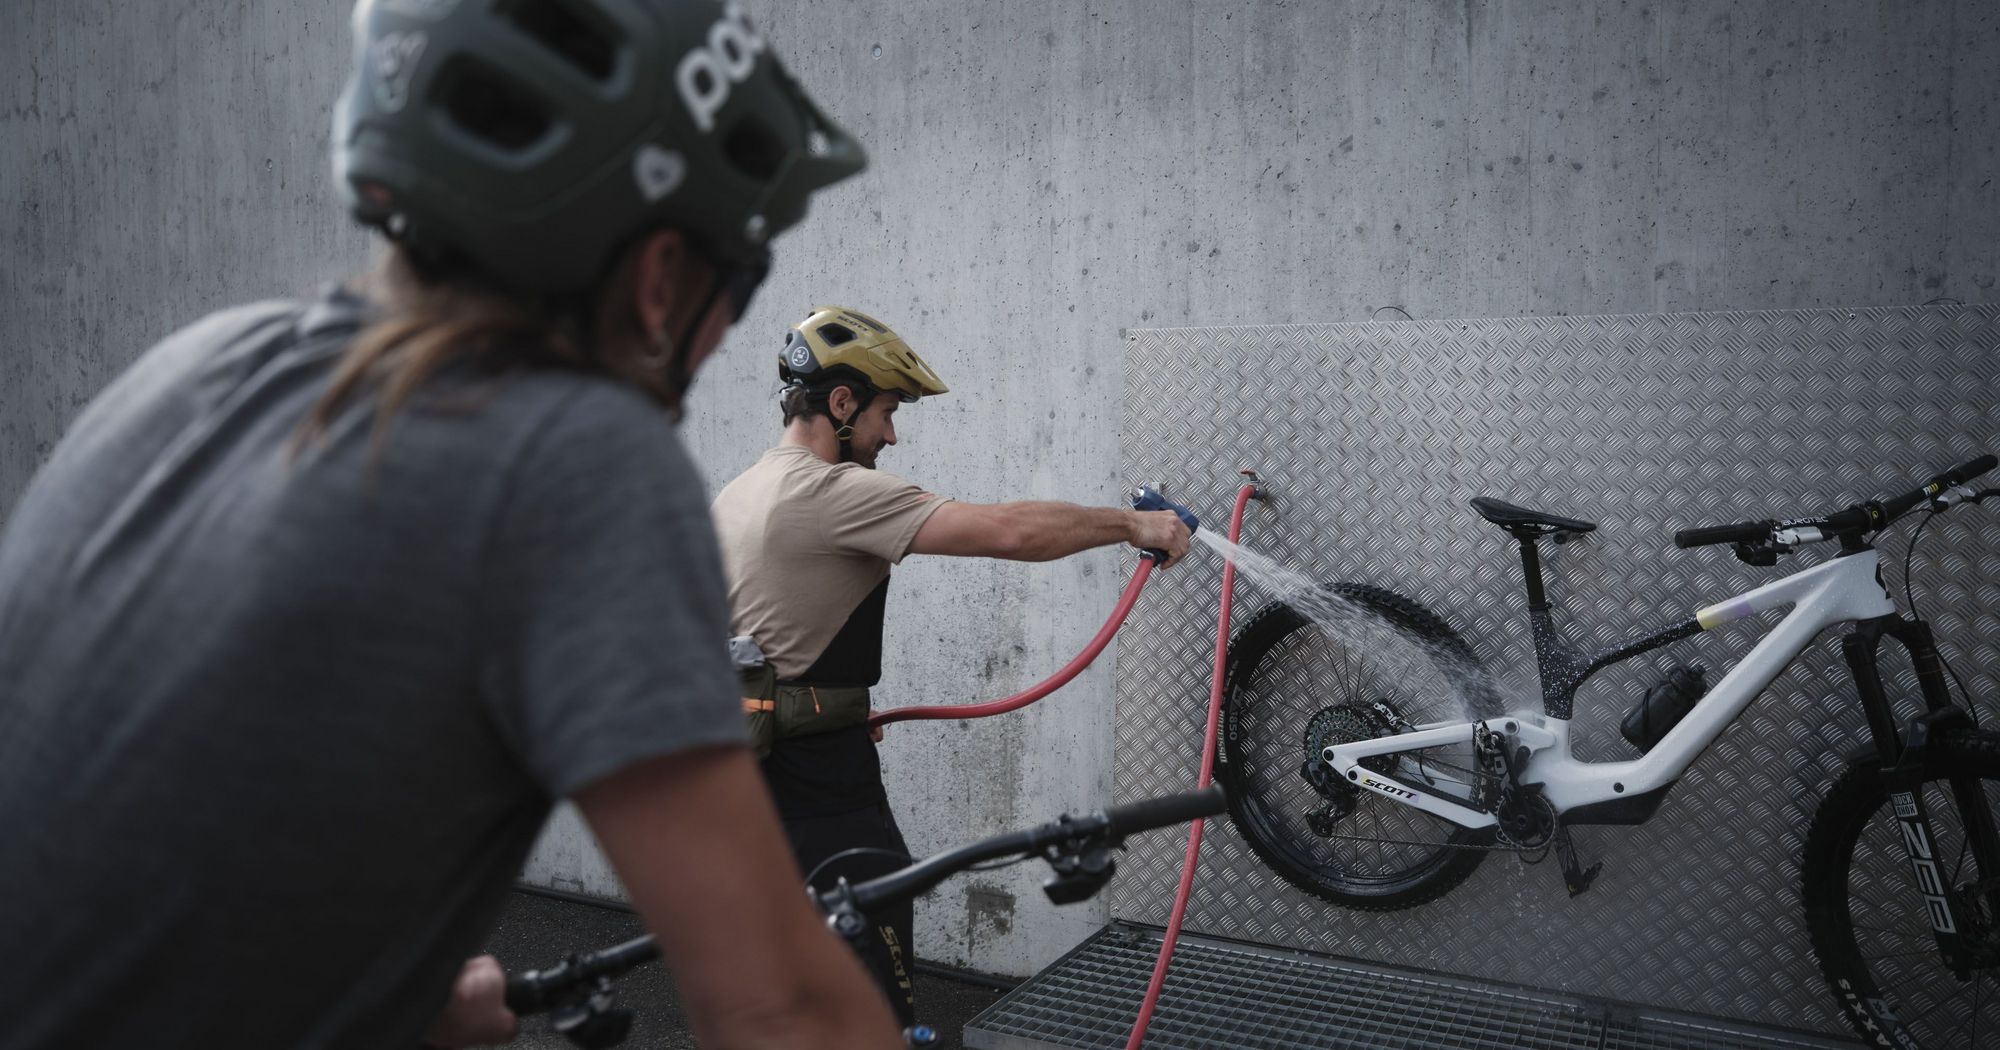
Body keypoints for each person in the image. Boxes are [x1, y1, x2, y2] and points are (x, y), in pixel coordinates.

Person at [0, 2, 903, 1047]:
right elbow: (777, 1009)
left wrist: (390, 996)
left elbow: (121, 843)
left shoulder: (193, 369)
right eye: (737, 284)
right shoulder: (572, 452)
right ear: (659, 278)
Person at [709, 306, 1193, 1025]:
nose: (891, 433)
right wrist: (1135, 525)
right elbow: (1007, 532)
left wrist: (820, 702)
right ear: (840, 403)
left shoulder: (739, 492)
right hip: (816, 784)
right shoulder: (831, 493)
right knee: (869, 955)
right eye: (885, 411)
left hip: (748, 771)